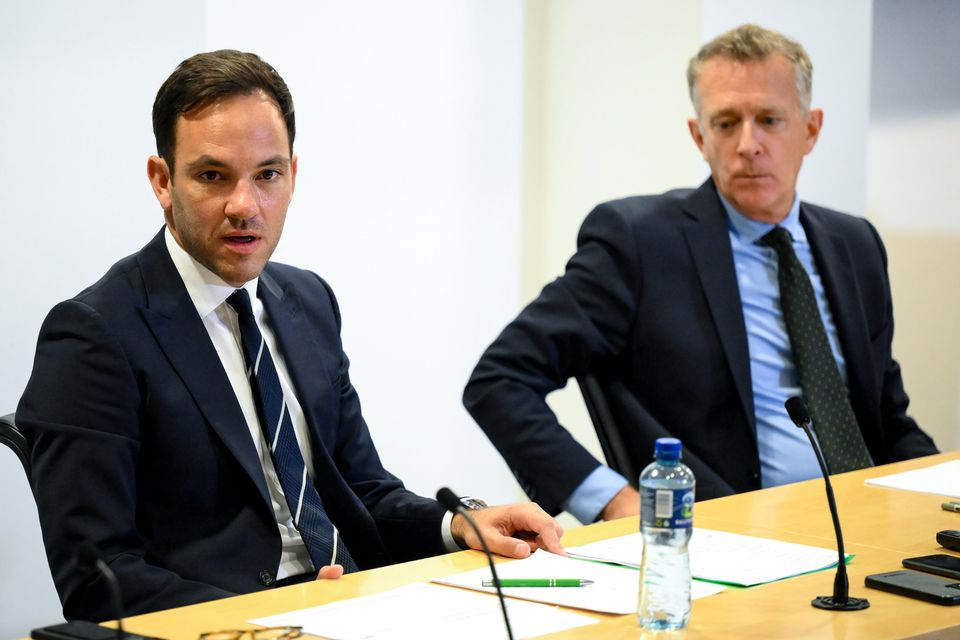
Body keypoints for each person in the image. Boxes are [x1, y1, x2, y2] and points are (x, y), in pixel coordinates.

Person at [17, 50, 563, 622]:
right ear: (162, 180)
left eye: (267, 175)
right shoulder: (93, 334)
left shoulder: (306, 301)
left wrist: (459, 526)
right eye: (212, 176)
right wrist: (273, 620)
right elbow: (97, 576)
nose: (245, 206)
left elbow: (364, 490)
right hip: (229, 627)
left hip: (351, 605)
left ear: (293, 176)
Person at [463, 24, 937, 524]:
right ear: (699, 136)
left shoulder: (855, 244)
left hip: (869, 527)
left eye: (770, 120)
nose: (748, 144)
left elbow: (884, 419)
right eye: (727, 123)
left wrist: (939, 492)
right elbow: (499, 381)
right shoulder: (639, 244)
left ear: (811, 129)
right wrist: (613, 501)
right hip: (729, 540)